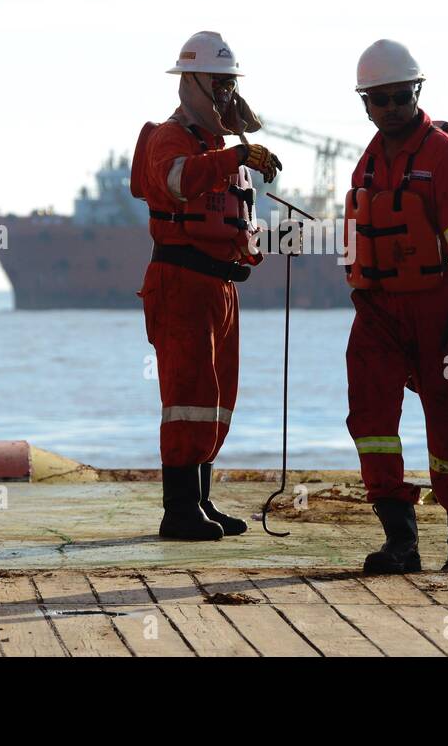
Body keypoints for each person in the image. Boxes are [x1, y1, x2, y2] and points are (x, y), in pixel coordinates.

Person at [343, 39, 448, 572]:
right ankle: (400, 542)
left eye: (399, 97)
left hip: (438, 309)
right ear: (365, 103)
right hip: (379, 313)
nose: (390, 109)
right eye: (378, 100)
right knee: (370, 417)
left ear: (416, 92)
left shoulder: (443, 155)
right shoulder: (368, 162)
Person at [132, 30, 283, 540]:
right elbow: (176, 181)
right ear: (192, 81)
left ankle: (201, 500)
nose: (224, 93)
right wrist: (236, 157)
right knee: (187, 395)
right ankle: (178, 511)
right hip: (181, 282)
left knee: (217, 396)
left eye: (229, 83)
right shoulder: (170, 137)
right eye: (217, 83)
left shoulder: (220, 146)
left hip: (219, 287)